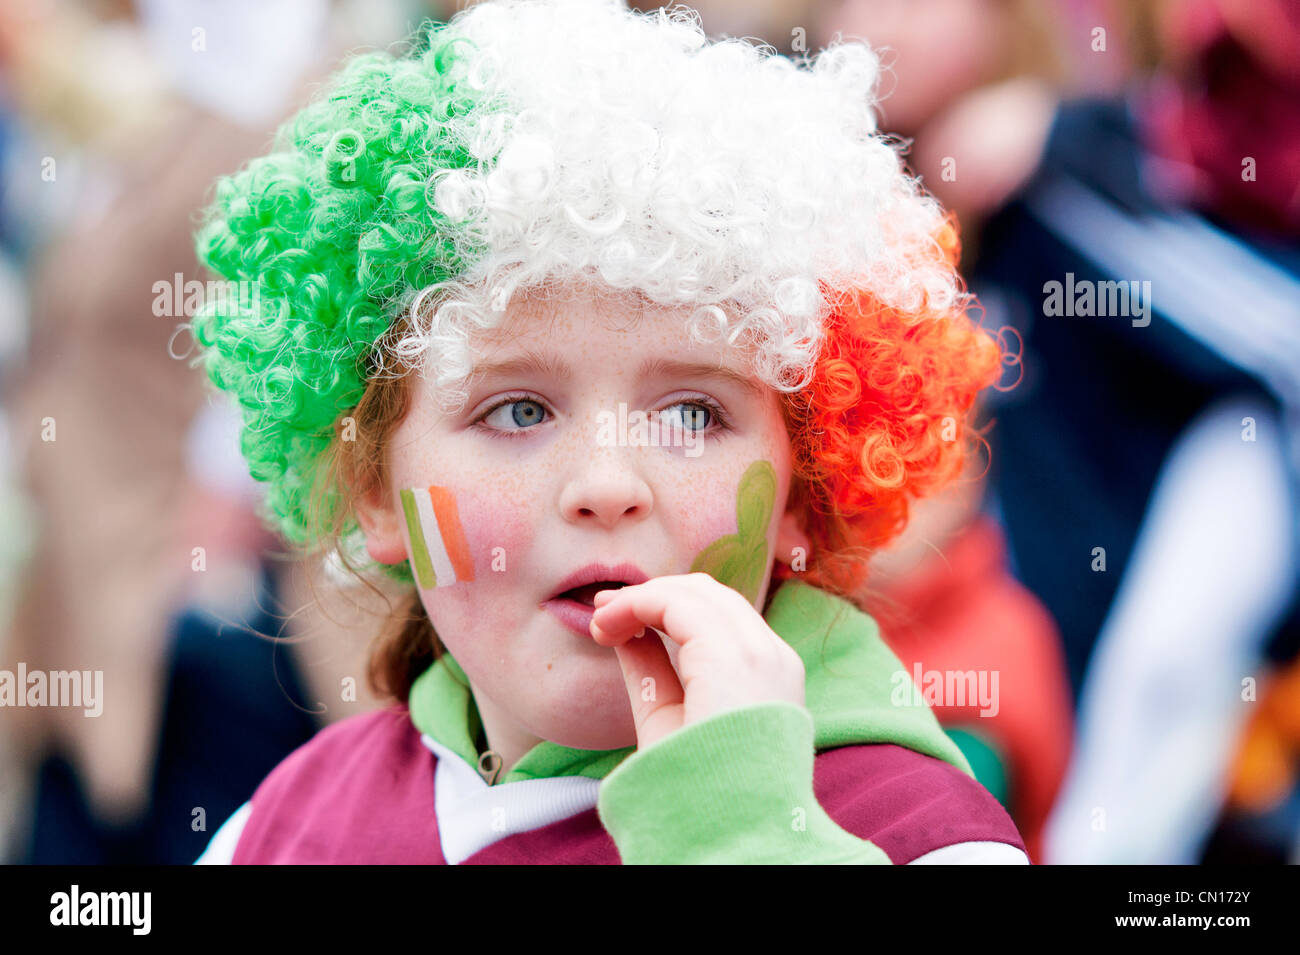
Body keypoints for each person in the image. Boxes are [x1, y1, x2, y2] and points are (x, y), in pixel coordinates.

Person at [189, 0, 1026, 864]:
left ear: (802, 490)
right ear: (375, 492)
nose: (607, 484)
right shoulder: (277, 834)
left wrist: (743, 834)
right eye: (518, 410)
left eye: (693, 414)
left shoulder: (920, 837)